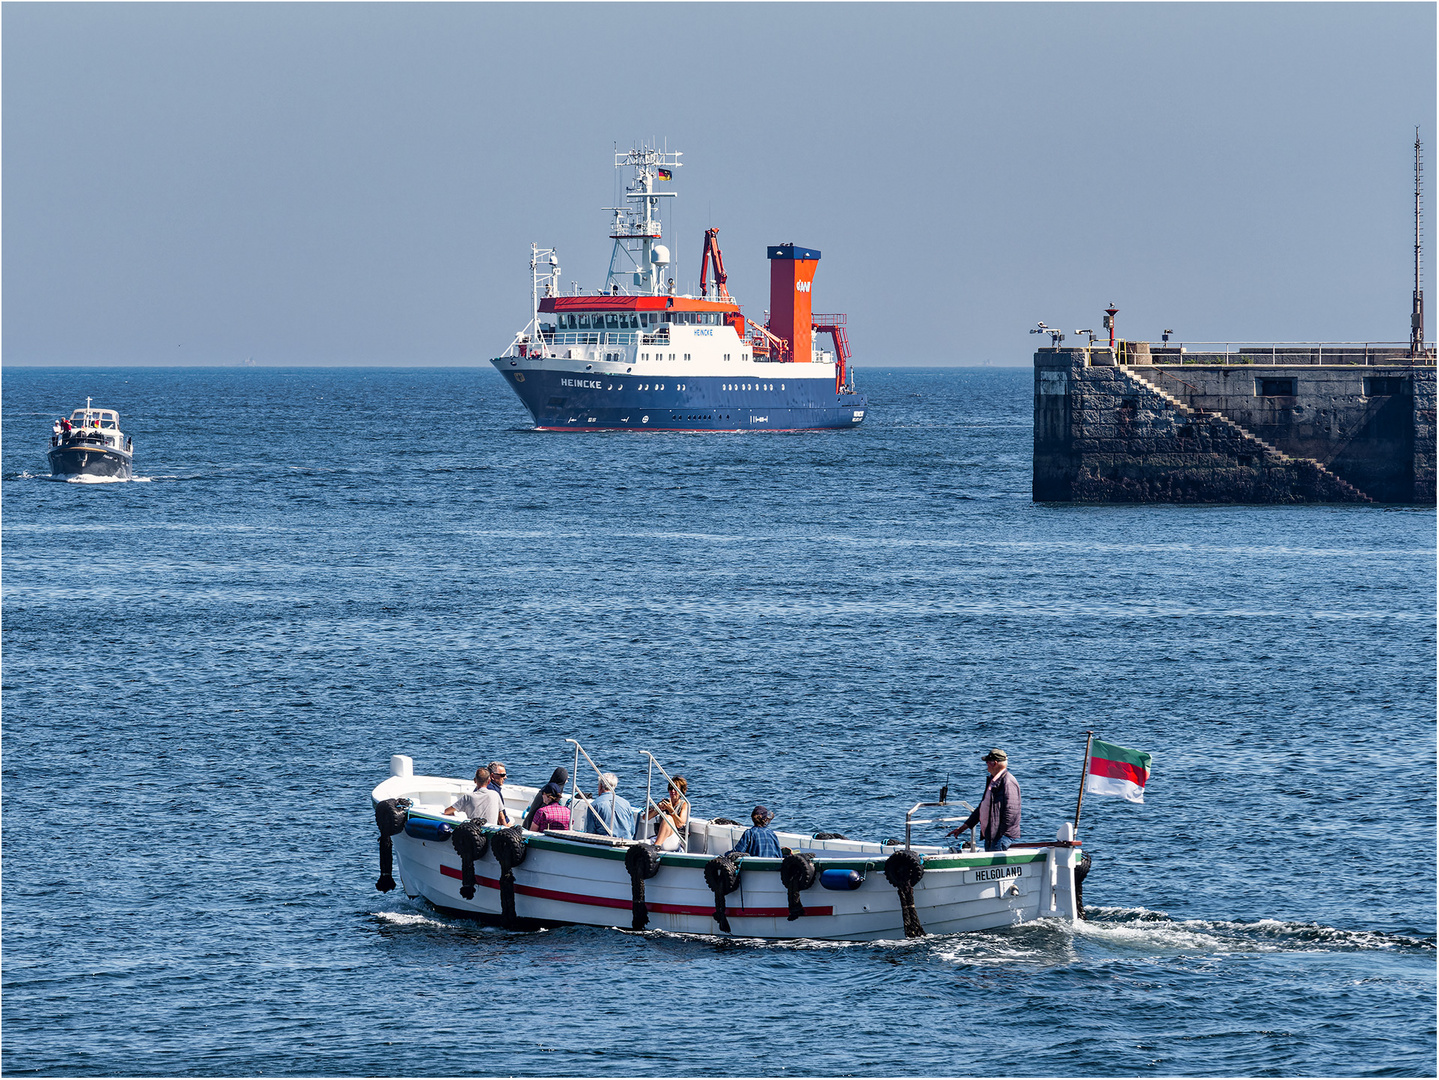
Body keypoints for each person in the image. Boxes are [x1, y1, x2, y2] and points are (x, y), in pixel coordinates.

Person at [947, 748, 1021, 851]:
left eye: (987, 763)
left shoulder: (1007, 782)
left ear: (994, 763)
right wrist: (963, 827)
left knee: (995, 866)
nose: (986, 767)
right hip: (992, 836)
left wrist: (1000, 834)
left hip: (999, 837)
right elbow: (983, 808)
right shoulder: (994, 780)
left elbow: (1012, 812)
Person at [583, 772, 636, 839]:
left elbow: (590, 832)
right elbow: (632, 830)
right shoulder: (626, 803)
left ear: (600, 786)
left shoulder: (595, 805)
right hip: (626, 842)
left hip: (605, 843)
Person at [644, 777, 690, 852]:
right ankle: (656, 845)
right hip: (661, 837)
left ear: (681, 791)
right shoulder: (665, 802)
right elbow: (645, 818)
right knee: (641, 843)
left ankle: (656, 846)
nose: (672, 791)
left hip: (675, 840)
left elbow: (680, 824)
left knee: (668, 818)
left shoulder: (684, 804)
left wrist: (671, 810)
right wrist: (657, 809)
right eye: (670, 789)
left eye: (675, 789)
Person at [485, 761, 511, 825]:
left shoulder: (482, 786)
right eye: (502, 775)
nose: (505, 777)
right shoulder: (494, 792)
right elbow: (501, 816)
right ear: (492, 776)